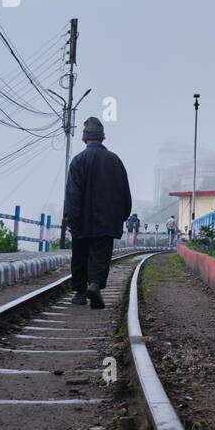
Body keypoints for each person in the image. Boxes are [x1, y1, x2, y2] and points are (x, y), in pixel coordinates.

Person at [63, 117, 132, 308]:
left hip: (82, 221)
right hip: (107, 221)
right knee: (100, 256)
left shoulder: (78, 161)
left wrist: (72, 220)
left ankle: (79, 293)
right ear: (102, 138)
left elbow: (72, 194)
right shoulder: (115, 161)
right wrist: (122, 216)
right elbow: (125, 192)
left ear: (84, 139)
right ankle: (94, 284)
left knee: (80, 255)